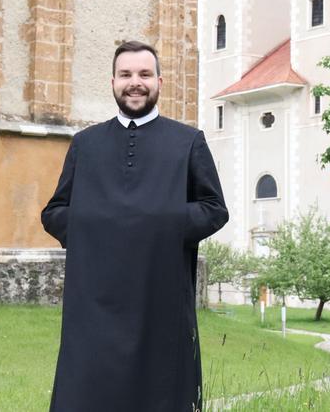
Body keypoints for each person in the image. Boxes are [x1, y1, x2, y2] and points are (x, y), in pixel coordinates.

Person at [41, 40, 229, 411]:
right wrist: (101, 229)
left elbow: (213, 209)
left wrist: (159, 223)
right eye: (126, 74)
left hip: (160, 295)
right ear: (113, 81)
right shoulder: (85, 144)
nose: (135, 82)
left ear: (159, 81)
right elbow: (55, 212)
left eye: (144, 74)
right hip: (94, 302)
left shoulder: (188, 142)